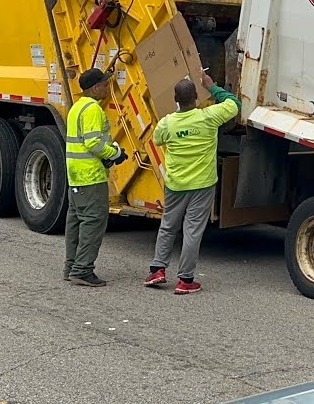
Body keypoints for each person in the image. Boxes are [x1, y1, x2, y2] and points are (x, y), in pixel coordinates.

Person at [145, 70, 241, 295]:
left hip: (176, 184)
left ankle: (157, 270)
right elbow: (234, 103)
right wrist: (211, 85)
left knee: (168, 226)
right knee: (192, 231)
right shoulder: (209, 116)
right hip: (202, 185)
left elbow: (157, 140)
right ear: (196, 98)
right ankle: (185, 280)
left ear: (175, 100)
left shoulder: (168, 123)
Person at [64, 68, 126, 287]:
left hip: (76, 175)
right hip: (90, 176)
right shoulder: (93, 110)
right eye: (104, 84)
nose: (107, 88)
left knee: (76, 222)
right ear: (95, 88)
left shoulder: (76, 107)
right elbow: (93, 144)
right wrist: (115, 154)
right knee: (93, 222)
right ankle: (82, 270)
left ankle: (71, 266)